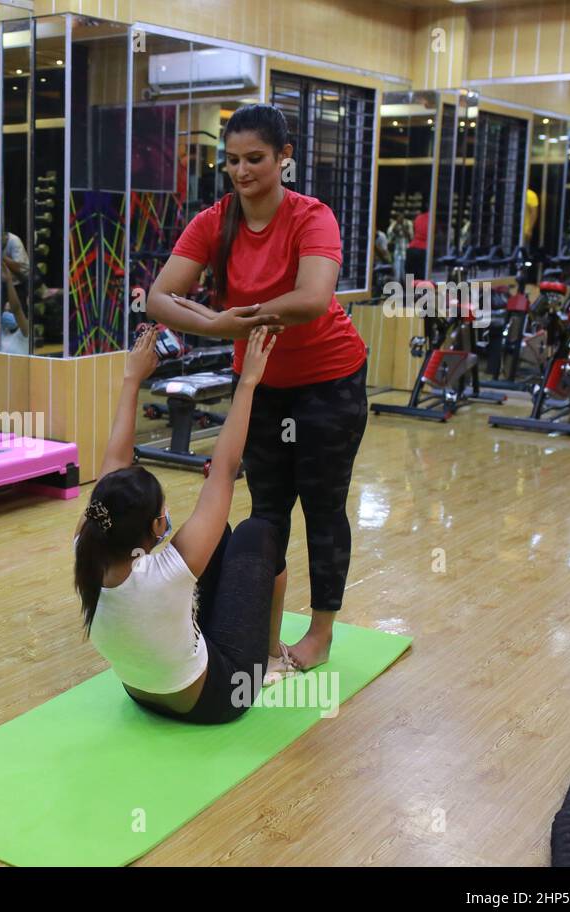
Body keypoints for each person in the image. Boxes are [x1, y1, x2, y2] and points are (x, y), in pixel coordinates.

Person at [148, 103, 368, 671]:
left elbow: (313, 298)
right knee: (267, 511)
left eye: (255, 159)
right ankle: (264, 634)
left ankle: (320, 633)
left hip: (330, 379)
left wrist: (237, 318)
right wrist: (217, 325)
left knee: (323, 507)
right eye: (232, 161)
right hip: (262, 385)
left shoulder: (310, 216)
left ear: (284, 158)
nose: (242, 171)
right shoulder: (214, 221)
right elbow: (159, 297)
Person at [74, 326, 290, 725]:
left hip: (141, 692)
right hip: (216, 701)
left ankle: (245, 650)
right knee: (256, 533)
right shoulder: (167, 572)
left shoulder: (88, 544)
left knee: (221, 539)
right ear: (156, 525)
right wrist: (248, 383)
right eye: (164, 511)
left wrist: (132, 378)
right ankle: (273, 655)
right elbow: (223, 471)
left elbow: (113, 466)